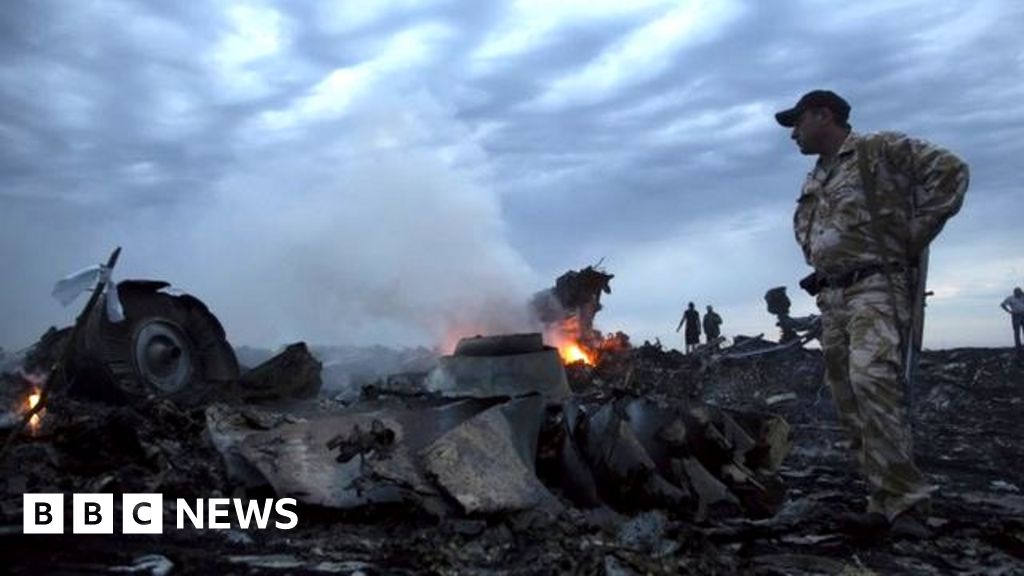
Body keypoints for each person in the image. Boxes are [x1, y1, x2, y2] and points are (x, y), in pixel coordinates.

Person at [776, 90, 969, 535]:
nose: (793, 133)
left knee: (873, 382)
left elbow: (952, 172)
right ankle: (881, 500)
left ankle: (907, 505)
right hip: (833, 296)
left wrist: (910, 238)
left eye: (798, 121)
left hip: (876, 288)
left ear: (823, 115)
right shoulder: (816, 177)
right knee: (849, 397)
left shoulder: (878, 150)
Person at [1000, 287, 1024, 351]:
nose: (1019, 294)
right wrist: (1008, 311)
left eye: (1020, 292)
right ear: (1015, 293)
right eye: (1018, 292)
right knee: (1017, 331)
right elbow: (1002, 304)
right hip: (1016, 315)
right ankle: (1018, 346)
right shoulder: (1010, 298)